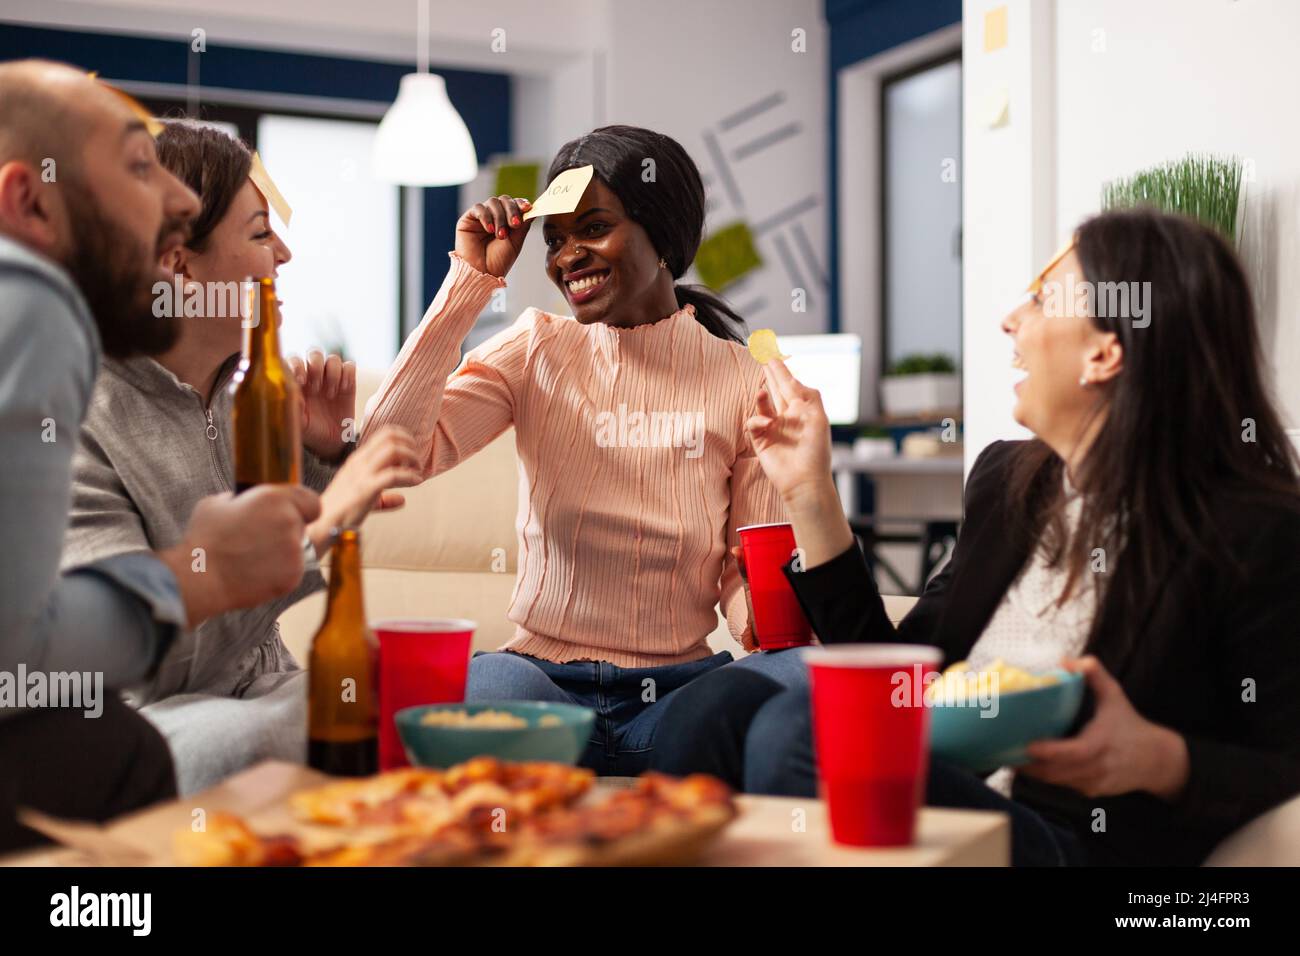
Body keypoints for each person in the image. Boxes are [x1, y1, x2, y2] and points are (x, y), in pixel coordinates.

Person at [653, 208, 1300, 866]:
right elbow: (895, 678)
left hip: (1076, 842)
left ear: (1106, 353)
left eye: (1044, 299)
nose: (1011, 320)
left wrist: (1161, 759)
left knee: (801, 731)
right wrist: (808, 490)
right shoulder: (1007, 483)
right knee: (713, 708)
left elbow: (1284, 763)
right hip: (954, 784)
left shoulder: (1256, 531)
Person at [362, 126, 800, 775]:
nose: (568, 256)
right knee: (487, 698)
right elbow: (389, 448)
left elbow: (746, 565)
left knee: (795, 673)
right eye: (556, 240)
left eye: (592, 229)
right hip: (539, 690)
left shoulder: (744, 376)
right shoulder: (536, 348)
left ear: (663, 232)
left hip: (679, 694)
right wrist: (469, 284)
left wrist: (765, 620)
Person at [0, 60, 319, 850]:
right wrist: (190, 574)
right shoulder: (34, 303)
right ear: (28, 200)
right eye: (139, 167)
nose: (178, 201)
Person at [61, 121, 422, 793]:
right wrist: (322, 518)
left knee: (415, 702)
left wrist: (325, 460)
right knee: (260, 739)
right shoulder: (73, 416)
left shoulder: (249, 391)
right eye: (259, 233)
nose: (283, 252)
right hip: (141, 717)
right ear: (177, 262)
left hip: (265, 692)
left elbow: (272, 599)